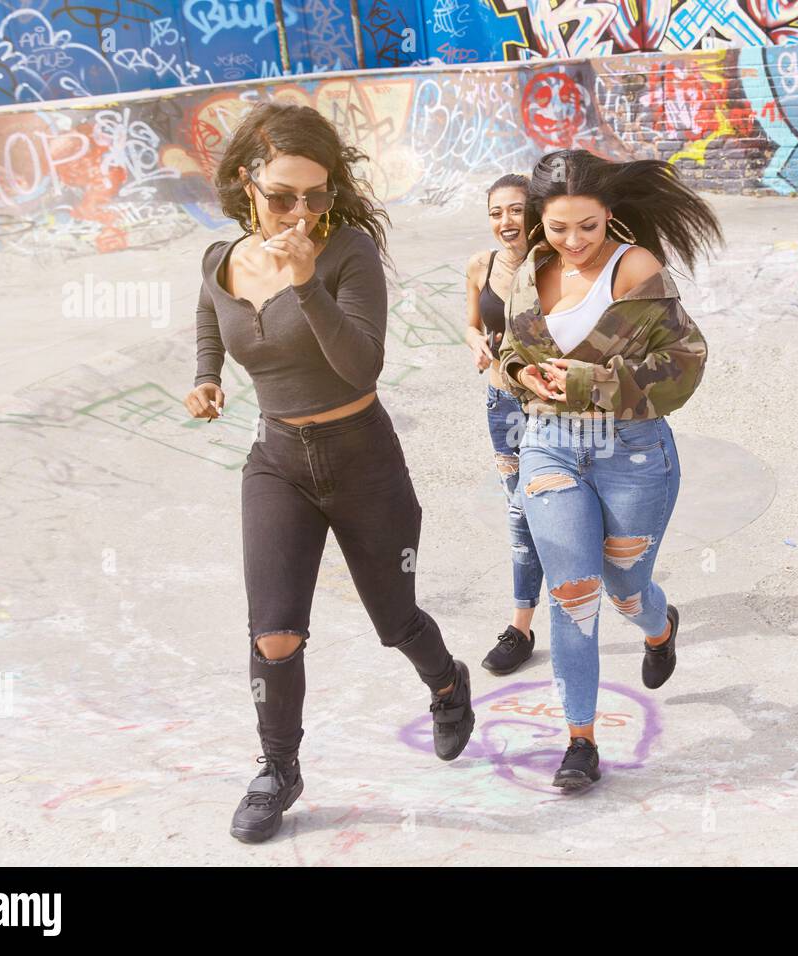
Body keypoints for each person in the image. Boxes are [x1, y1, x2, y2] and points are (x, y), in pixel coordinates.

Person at [182, 102, 475, 843]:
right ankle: (277, 769)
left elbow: (360, 365)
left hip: (362, 457)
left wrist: (307, 283)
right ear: (248, 183)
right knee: (274, 633)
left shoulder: (345, 254)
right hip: (277, 462)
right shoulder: (221, 259)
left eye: (316, 195)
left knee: (394, 619)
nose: (301, 211)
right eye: (284, 196)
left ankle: (447, 683)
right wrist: (207, 376)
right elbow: (211, 312)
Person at [497, 148, 722, 791]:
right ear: (541, 220)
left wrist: (589, 383)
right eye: (558, 227)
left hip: (633, 454)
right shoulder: (529, 271)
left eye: (588, 227)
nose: (573, 243)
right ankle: (580, 741)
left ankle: (660, 625)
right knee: (574, 595)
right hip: (549, 449)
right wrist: (520, 372)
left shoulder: (639, 270)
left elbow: (685, 366)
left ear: (610, 218)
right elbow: (509, 351)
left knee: (626, 593)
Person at [463, 174, 545, 676]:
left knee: (571, 503)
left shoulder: (554, 261)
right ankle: (521, 627)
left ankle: (627, 596)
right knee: (520, 511)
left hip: (554, 405)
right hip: (503, 404)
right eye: (496, 213)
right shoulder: (480, 265)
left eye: (515, 211)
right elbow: (472, 323)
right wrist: (475, 343)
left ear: (534, 214)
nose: (505, 222)